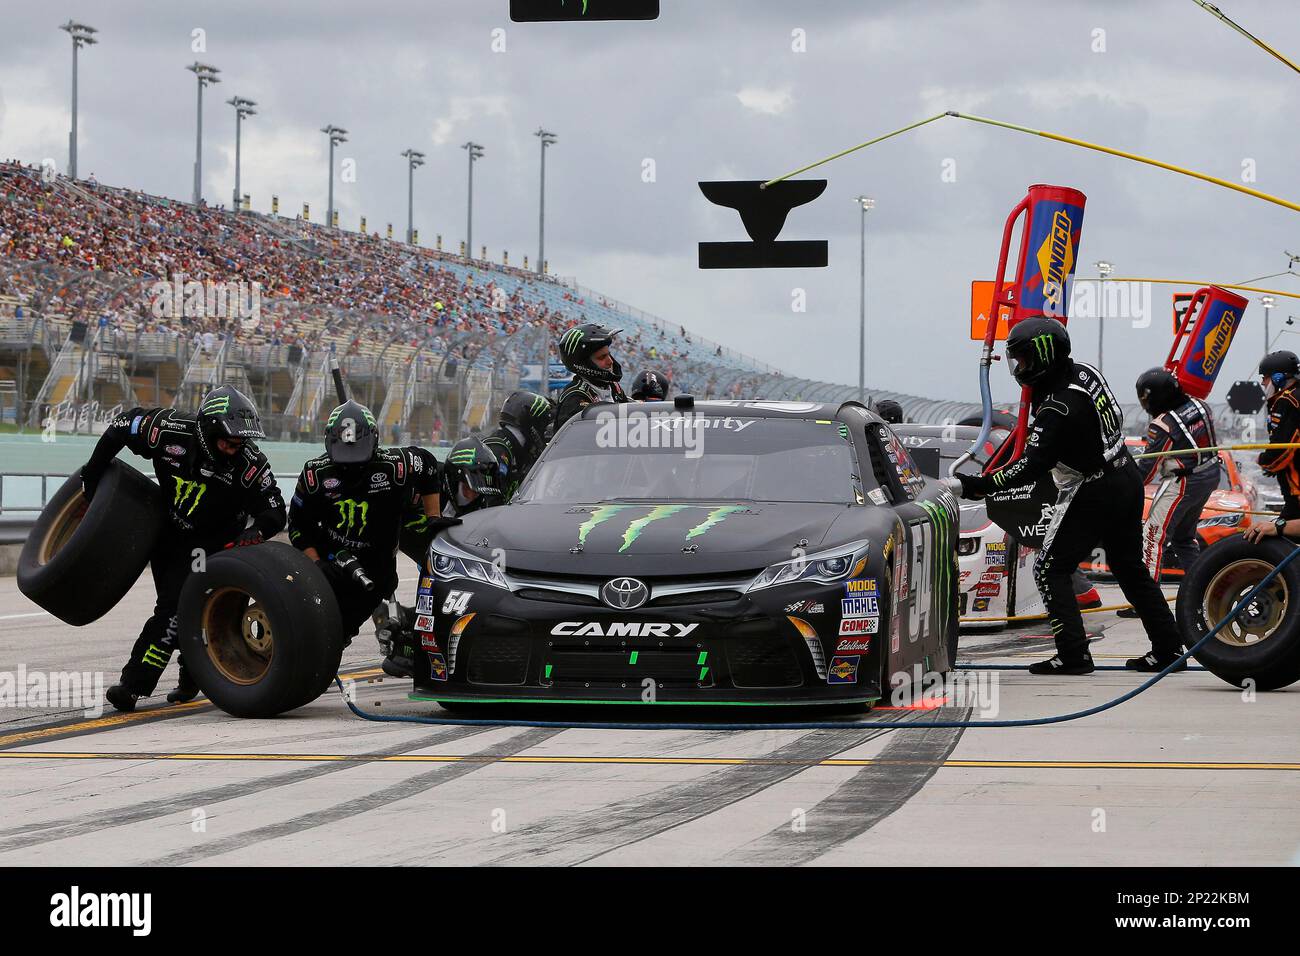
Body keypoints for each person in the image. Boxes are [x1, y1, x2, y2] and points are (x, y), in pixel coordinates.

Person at [948, 318, 1184, 674]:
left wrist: (976, 485)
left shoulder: (1058, 407)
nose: (1019, 369)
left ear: (1044, 355)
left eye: (1024, 359)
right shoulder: (1087, 372)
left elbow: (1029, 467)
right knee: (1130, 568)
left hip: (1095, 488)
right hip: (1125, 475)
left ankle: (1073, 654)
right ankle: (1169, 648)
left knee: (1049, 568)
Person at [82, 386, 285, 712]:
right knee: (180, 607)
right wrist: (91, 473)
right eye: (228, 442)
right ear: (207, 430)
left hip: (214, 544)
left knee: (175, 609)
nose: (235, 449)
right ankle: (195, 672)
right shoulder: (167, 430)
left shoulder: (249, 463)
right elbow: (121, 426)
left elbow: (275, 510)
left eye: (240, 443)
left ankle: (133, 685)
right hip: (169, 533)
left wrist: (255, 532)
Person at [286, 400, 445, 675]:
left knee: (342, 628)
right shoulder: (314, 474)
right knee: (306, 617)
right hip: (331, 559)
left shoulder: (396, 465)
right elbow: (297, 524)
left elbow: (430, 467)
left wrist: (433, 518)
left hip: (376, 567)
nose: (351, 468)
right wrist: (315, 563)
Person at [1133, 366, 1219, 574]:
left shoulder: (1162, 425)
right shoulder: (1201, 405)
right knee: (1184, 538)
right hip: (1211, 473)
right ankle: (1202, 590)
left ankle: (1146, 603)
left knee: (1153, 537)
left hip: (1184, 482)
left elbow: (1148, 467)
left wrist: (1126, 486)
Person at [554, 323, 629, 430]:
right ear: (583, 363)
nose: (610, 361)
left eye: (609, 354)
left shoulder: (612, 386)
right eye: (602, 357)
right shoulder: (575, 398)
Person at [482, 390, 555, 500]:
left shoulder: (514, 448)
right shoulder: (498, 450)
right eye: (544, 424)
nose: (545, 432)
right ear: (534, 423)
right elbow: (491, 500)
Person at [1256, 351, 1300, 522]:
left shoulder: (1287, 401)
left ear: (1278, 378)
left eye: (1265, 378)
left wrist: (1264, 461)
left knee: (1282, 533)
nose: (1262, 382)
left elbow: (1283, 445)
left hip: (1296, 488)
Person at [440, 436, 506, 518]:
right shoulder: (430, 489)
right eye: (467, 488)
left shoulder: (486, 506)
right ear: (454, 481)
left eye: (478, 492)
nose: (473, 495)